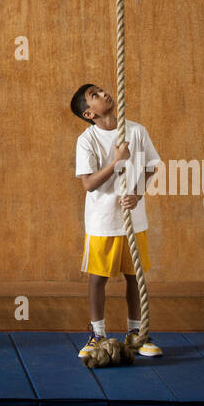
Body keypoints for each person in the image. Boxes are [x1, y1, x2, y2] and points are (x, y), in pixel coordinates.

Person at [70, 82, 163, 358]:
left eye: (100, 89)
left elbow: (150, 168)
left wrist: (136, 194)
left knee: (135, 277)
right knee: (98, 279)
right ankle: (97, 335)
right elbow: (88, 184)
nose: (103, 93)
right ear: (89, 113)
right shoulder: (87, 140)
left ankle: (136, 333)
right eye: (94, 95)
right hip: (102, 221)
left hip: (133, 220)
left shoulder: (136, 130)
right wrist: (116, 162)